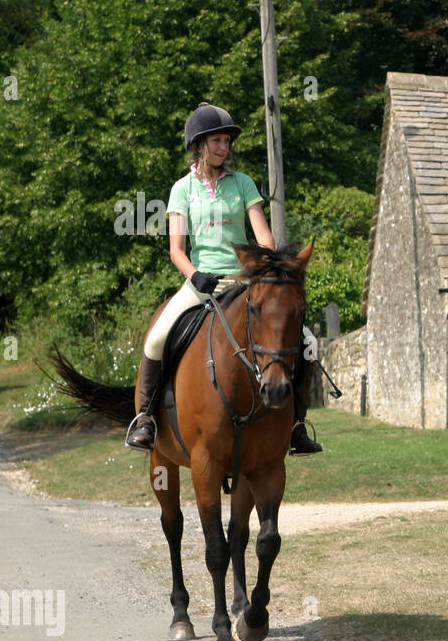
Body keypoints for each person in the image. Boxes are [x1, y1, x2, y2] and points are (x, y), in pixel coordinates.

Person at [125, 102, 322, 454]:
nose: (222, 147)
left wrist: (265, 264)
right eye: (215, 141)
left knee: (307, 342)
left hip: (244, 281)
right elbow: (176, 249)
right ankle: (146, 420)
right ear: (199, 145)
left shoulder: (243, 184)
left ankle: (295, 425)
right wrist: (195, 275)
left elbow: (264, 238)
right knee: (156, 340)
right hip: (201, 282)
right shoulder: (182, 189)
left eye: (226, 141)